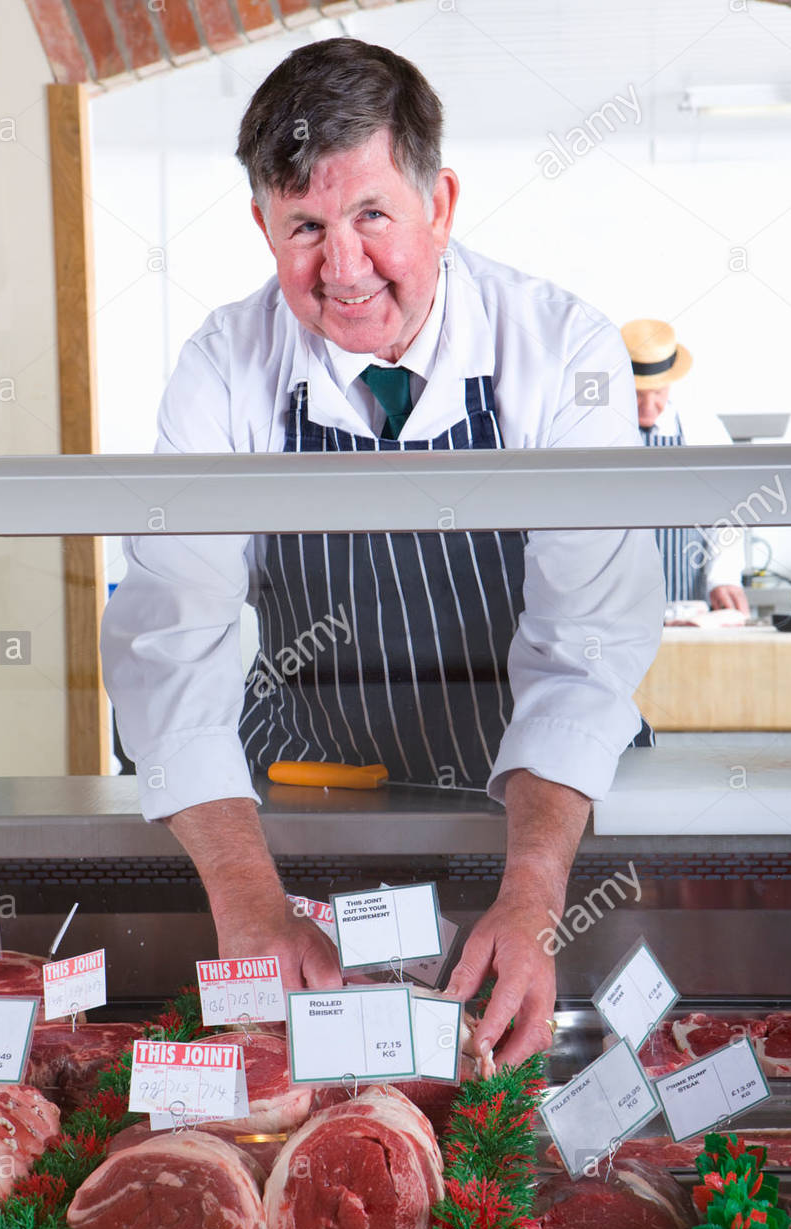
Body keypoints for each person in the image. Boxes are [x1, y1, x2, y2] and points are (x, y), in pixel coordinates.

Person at [101, 39, 664, 1069]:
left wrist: (533, 893)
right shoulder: (225, 367)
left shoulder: (557, 348)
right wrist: (247, 901)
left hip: (529, 806)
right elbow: (172, 636)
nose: (344, 267)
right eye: (305, 226)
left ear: (437, 202)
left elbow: (585, 639)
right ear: (262, 227)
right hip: (312, 803)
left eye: (370, 216)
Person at [621, 319, 749, 614]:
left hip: (686, 601)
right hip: (617, 603)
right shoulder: (599, 430)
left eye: (658, 394)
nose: (648, 406)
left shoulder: (703, 428)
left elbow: (731, 511)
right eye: (638, 394)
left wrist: (725, 577)